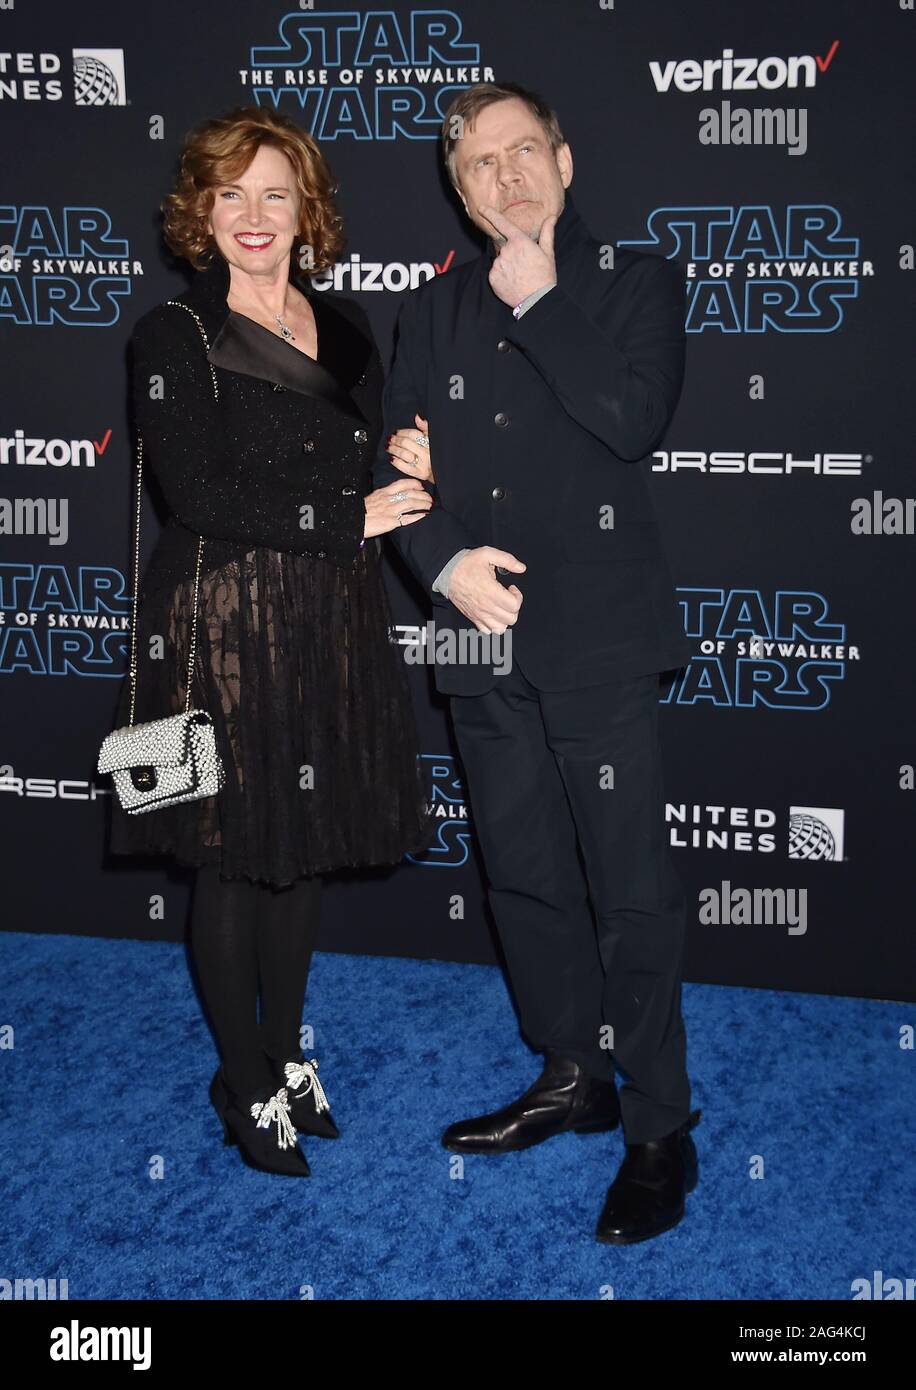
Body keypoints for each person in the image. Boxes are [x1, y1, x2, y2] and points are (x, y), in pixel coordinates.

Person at [374, 82, 700, 1243]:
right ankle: (575, 1073)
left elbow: (630, 419)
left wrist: (545, 301)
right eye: (479, 165)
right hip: (472, 628)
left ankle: (659, 1124)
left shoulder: (634, 282)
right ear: (457, 190)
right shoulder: (429, 311)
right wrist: (443, 561)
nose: (505, 178)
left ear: (565, 159)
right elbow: (395, 477)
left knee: (630, 890)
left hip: (597, 634)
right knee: (521, 873)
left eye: (524, 154)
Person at [107, 106, 433, 1177]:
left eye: (274, 194)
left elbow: (364, 478)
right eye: (230, 193)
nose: (253, 214)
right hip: (217, 625)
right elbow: (196, 493)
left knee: (302, 855)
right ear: (202, 211)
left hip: (326, 618)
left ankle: (287, 1051)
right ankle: (239, 1074)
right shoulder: (174, 335)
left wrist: (404, 460)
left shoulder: (344, 331)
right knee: (232, 861)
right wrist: (351, 516)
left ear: (307, 211)